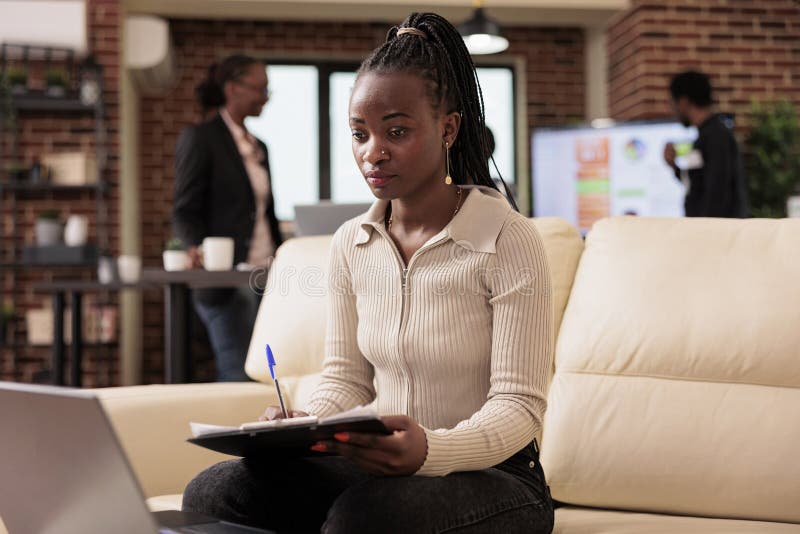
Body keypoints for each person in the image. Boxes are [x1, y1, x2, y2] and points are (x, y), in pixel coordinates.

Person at [182, 13, 554, 533]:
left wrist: (430, 450)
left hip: (497, 475)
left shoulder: (506, 239)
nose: (372, 152)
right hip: (382, 466)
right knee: (213, 492)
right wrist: (303, 427)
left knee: (366, 517)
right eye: (360, 133)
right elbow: (346, 379)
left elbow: (519, 407)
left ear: (448, 128)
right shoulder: (351, 243)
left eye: (396, 131)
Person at [173, 55, 283, 381]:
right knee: (237, 375)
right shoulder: (201, 138)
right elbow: (184, 208)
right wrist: (194, 246)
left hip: (265, 278)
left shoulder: (259, 146)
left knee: (267, 373)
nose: (265, 96)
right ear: (233, 88)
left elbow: (267, 214)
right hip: (223, 283)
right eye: (259, 88)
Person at [663, 70, 748, 218]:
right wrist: (674, 167)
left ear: (683, 102)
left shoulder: (716, 136)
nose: (673, 110)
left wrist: (706, 231)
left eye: (673, 103)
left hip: (717, 234)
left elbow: (718, 191)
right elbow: (697, 184)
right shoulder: (704, 137)